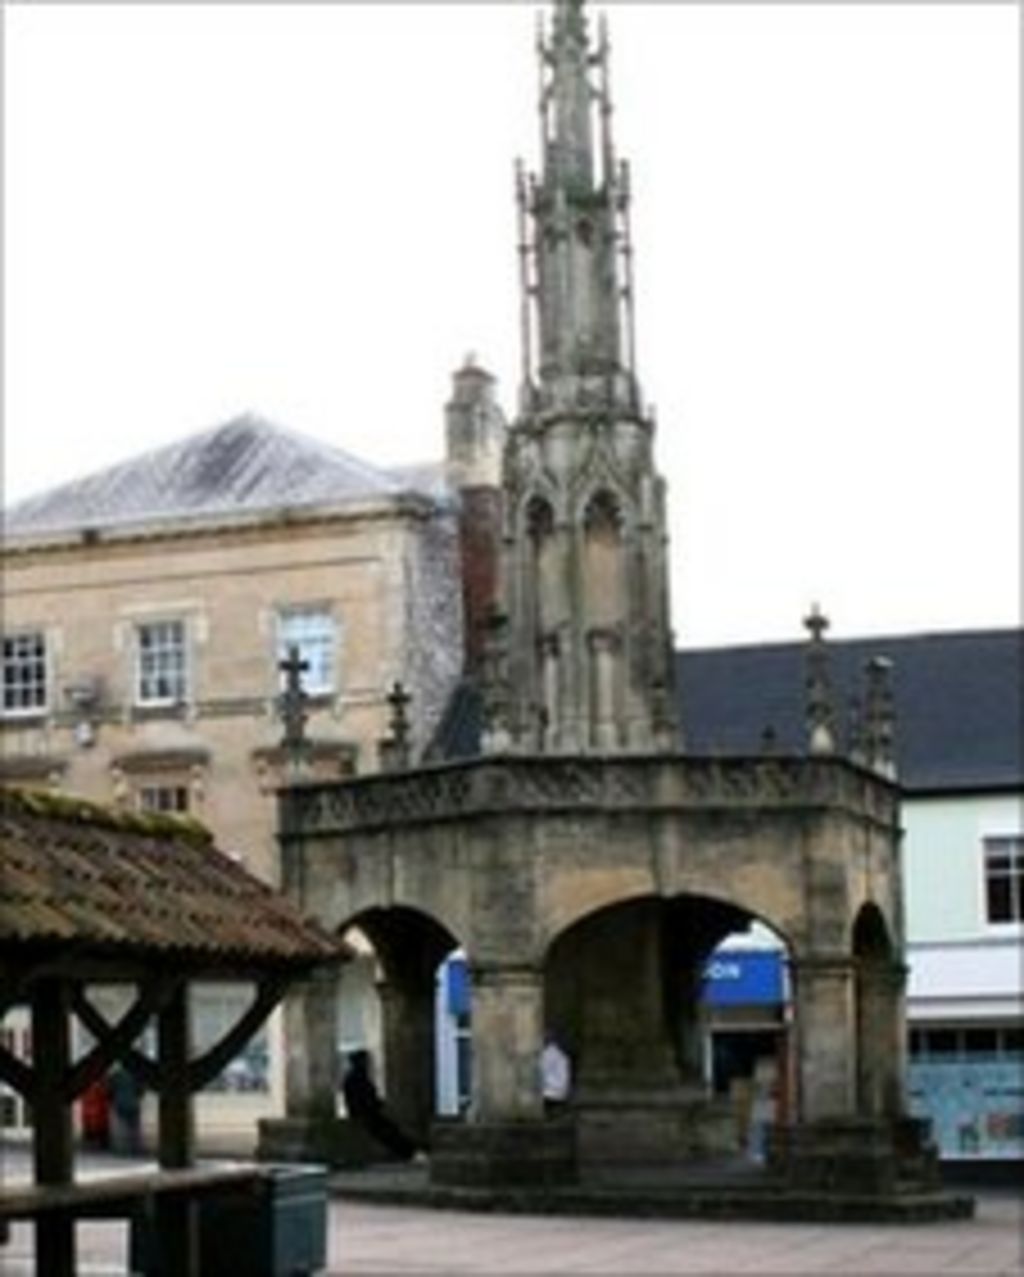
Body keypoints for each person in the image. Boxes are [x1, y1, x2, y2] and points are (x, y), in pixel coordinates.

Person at [341, 1049, 424, 1162]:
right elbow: (363, 1100)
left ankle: (411, 1150)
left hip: (369, 1113)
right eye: (365, 1061)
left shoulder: (358, 1077)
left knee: (391, 1129)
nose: (368, 1064)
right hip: (366, 1115)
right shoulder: (355, 1078)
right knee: (388, 1132)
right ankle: (409, 1151)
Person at [107, 1062, 143, 1154]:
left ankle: (122, 1149)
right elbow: (141, 1089)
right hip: (134, 1104)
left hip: (119, 1103)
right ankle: (135, 1148)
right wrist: (137, 1097)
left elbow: (109, 1089)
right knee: (134, 1128)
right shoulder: (136, 1074)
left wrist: (112, 1100)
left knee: (122, 1127)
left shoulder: (116, 1075)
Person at [540, 1034, 571, 1115]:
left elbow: (542, 1073)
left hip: (554, 1091)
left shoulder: (552, 1053)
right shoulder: (552, 1052)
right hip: (554, 1088)